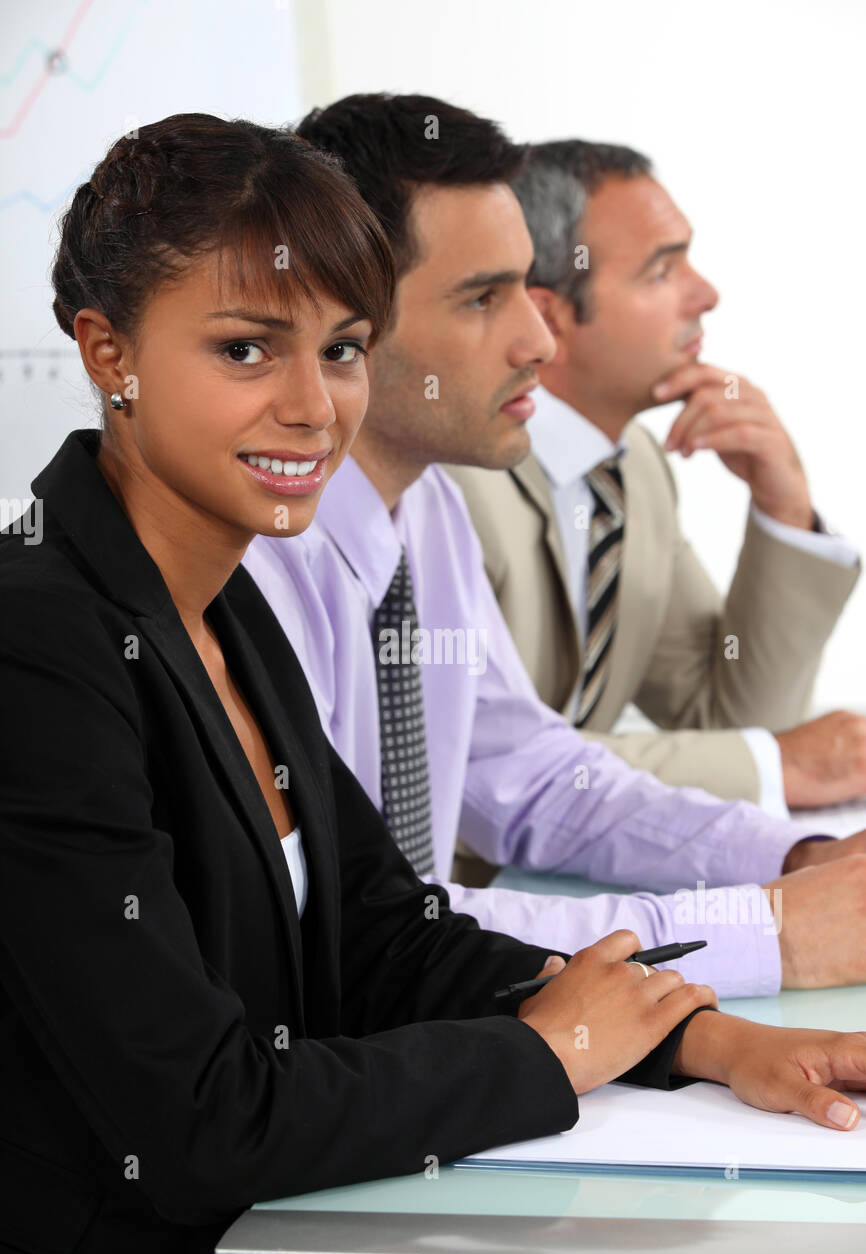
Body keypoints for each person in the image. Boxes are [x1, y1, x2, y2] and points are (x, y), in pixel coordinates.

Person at [1, 112, 719, 1254]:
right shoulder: (37, 644)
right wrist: (544, 1052)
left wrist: (690, 1036)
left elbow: (387, 935)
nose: (312, 404)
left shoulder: (224, 604)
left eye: (340, 349)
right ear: (107, 352)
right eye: (245, 349)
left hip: (278, 1247)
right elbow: (201, 1118)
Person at [243, 93, 866, 1000]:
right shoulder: (256, 563)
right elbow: (362, 930)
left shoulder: (427, 510)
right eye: (483, 298)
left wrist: (796, 857)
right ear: (344, 321)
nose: (540, 338)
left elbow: (534, 779)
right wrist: (765, 931)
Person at [449, 138, 863, 814]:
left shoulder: (631, 466)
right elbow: (477, 763)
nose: (707, 294)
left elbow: (725, 721)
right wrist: (773, 763)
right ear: (549, 318)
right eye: (661, 271)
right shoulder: (451, 478)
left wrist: (784, 506)